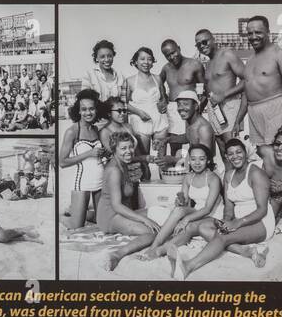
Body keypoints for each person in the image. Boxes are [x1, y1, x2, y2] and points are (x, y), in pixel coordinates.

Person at [177, 137, 273, 278]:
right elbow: (229, 207)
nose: (235, 156)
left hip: (260, 221)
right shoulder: (229, 175)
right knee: (203, 227)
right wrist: (226, 221)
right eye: (231, 154)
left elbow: (262, 210)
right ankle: (245, 251)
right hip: (237, 218)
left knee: (222, 237)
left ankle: (188, 266)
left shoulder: (256, 173)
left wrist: (237, 223)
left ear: (245, 153)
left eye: (238, 152)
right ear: (227, 157)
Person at [144, 143, 224, 271]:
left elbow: (208, 209)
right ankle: (154, 246)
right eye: (193, 159)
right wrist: (180, 202)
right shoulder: (188, 177)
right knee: (178, 210)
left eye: (201, 159)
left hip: (212, 215)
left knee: (185, 225)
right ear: (189, 160)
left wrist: (185, 219)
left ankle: (158, 249)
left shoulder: (213, 178)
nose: (197, 163)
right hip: (197, 211)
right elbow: (185, 203)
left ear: (208, 160)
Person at [99, 132, 160, 269]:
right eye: (123, 148)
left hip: (120, 212)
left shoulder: (123, 162)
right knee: (151, 232)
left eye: (131, 147)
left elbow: (137, 157)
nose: (129, 151)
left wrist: (149, 158)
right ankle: (117, 255)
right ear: (114, 150)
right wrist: (144, 219)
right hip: (111, 215)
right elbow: (116, 205)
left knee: (157, 211)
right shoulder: (114, 170)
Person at [243, 15, 282, 151]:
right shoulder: (250, 60)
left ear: (268, 32)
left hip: (276, 110)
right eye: (250, 33)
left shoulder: (279, 53)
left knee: (281, 156)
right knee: (264, 155)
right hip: (254, 113)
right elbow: (247, 91)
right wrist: (239, 119)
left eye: (258, 32)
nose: (253, 36)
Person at [198, 28, 248, 165]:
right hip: (214, 110)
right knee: (223, 153)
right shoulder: (208, 64)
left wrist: (224, 95)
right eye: (198, 45)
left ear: (213, 39)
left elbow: (247, 80)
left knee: (234, 151)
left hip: (230, 106)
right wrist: (199, 107)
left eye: (204, 42)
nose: (202, 46)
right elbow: (207, 91)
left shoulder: (227, 55)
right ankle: (228, 185)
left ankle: (242, 184)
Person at [61, 89, 108, 230]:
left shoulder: (95, 129)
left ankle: (80, 213)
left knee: (104, 223)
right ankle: (61, 216)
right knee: (76, 226)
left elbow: (98, 156)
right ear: (79, 111)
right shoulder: (72, 131)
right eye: (84, 109)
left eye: (91, 109)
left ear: (96, 110)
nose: (88, 113)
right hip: (82, 183)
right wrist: (89, 153)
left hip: (100, 182)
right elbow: (62, 162)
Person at [158, 39, 206, 156]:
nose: (172, 57)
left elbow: (204, 88)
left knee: (194, 142)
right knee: (175, 146)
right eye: (167, 55)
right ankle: (177, 171)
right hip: (174, 109)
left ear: (179, 48)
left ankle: (194, 170)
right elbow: (159, 82)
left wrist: (199, 106)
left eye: (173, 52)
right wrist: (163, 98)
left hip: (191, 108)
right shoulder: (166, 68)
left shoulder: (194, 64)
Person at [124, 47, 167, 177]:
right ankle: (146, 190)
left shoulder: (157, 78)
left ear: (153, 62)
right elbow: (123, 104)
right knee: (143, 160)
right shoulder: (129, 81)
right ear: (135, 61)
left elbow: (164, 97)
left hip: (160, 122)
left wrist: (163, 103)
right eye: (142, 59)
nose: (146, 62)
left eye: (149, 59)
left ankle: (165, 187)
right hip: (140, 123)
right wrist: (138, 112)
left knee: (162, 159)